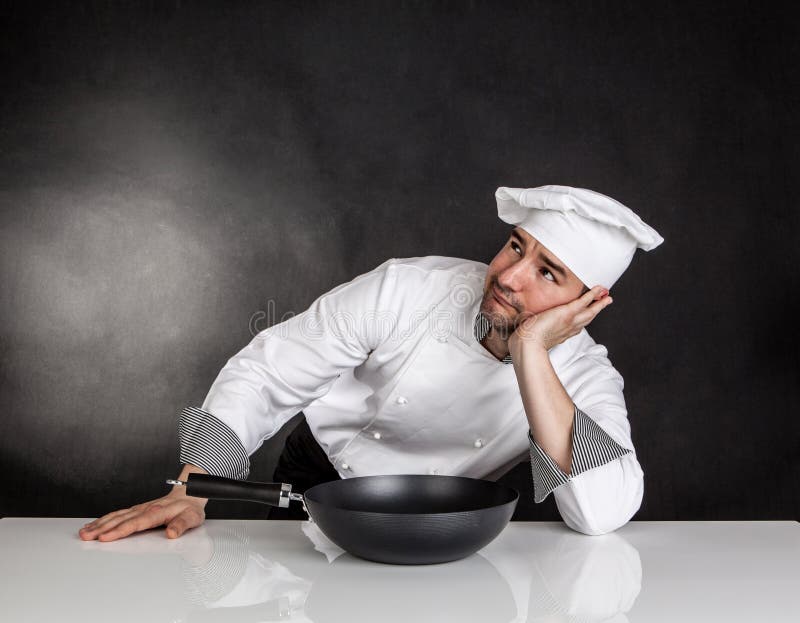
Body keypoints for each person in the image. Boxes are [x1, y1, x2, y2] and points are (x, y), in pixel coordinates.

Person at [79, 185, 663, 542]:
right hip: (317, 482)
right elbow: (270, 370)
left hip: (440, 522)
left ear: (589, 303)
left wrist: (531, 354)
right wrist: (195, 486)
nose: (509, 276)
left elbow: (602, 512)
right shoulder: (408, 289)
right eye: (516, 246)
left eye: (547, 272)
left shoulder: (587, 375)